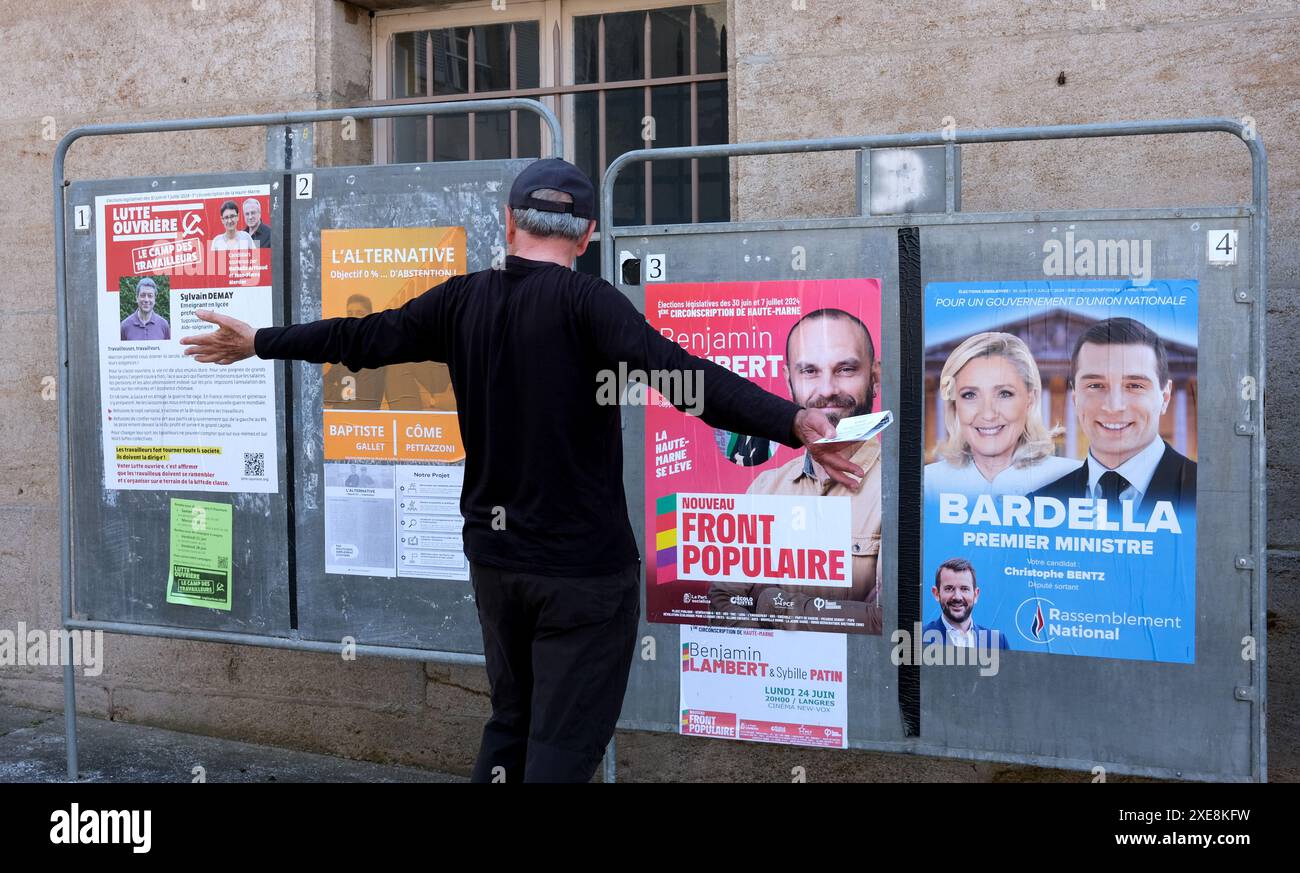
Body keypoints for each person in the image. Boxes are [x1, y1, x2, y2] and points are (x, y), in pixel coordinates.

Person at [179, 157, 862, 783]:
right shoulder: (589, 304)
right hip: (582, 578)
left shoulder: (460, 300)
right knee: (561, 750)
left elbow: (362, 338)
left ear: (508, 223)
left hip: (498, 567)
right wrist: (793, 420)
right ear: (588, 234)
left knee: (511, 726)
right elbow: (685, 379)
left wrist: (261, 341)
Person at [708, 308, 883, 634]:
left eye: (845, 369)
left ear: (874, 377)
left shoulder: (897, 489)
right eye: (810, 371)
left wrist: (771, 603)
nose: (828, 389)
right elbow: (722, 601)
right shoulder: (764, 488)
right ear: (789, 379)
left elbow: (883, 622)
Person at [1032, 317, 1195, 517]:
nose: (1114, 406)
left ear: (1165, 397)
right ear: (1074, 398)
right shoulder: (1036, 505)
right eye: (1095, 385)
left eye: (1135, 386)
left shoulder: (1208, 494)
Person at [924, 332, 1078, 499]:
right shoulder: (927, 484)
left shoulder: (1074, 482)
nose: (988, 414)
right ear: (954, 405)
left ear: (1030, 399)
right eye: (969, 395)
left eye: (1004, 394)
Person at [922, 557, 1008, 650]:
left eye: (964, 589)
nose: (957, 597)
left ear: (975, 595)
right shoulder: (918, 639)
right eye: (949, 589)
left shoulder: (998, 642)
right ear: (936, 593)